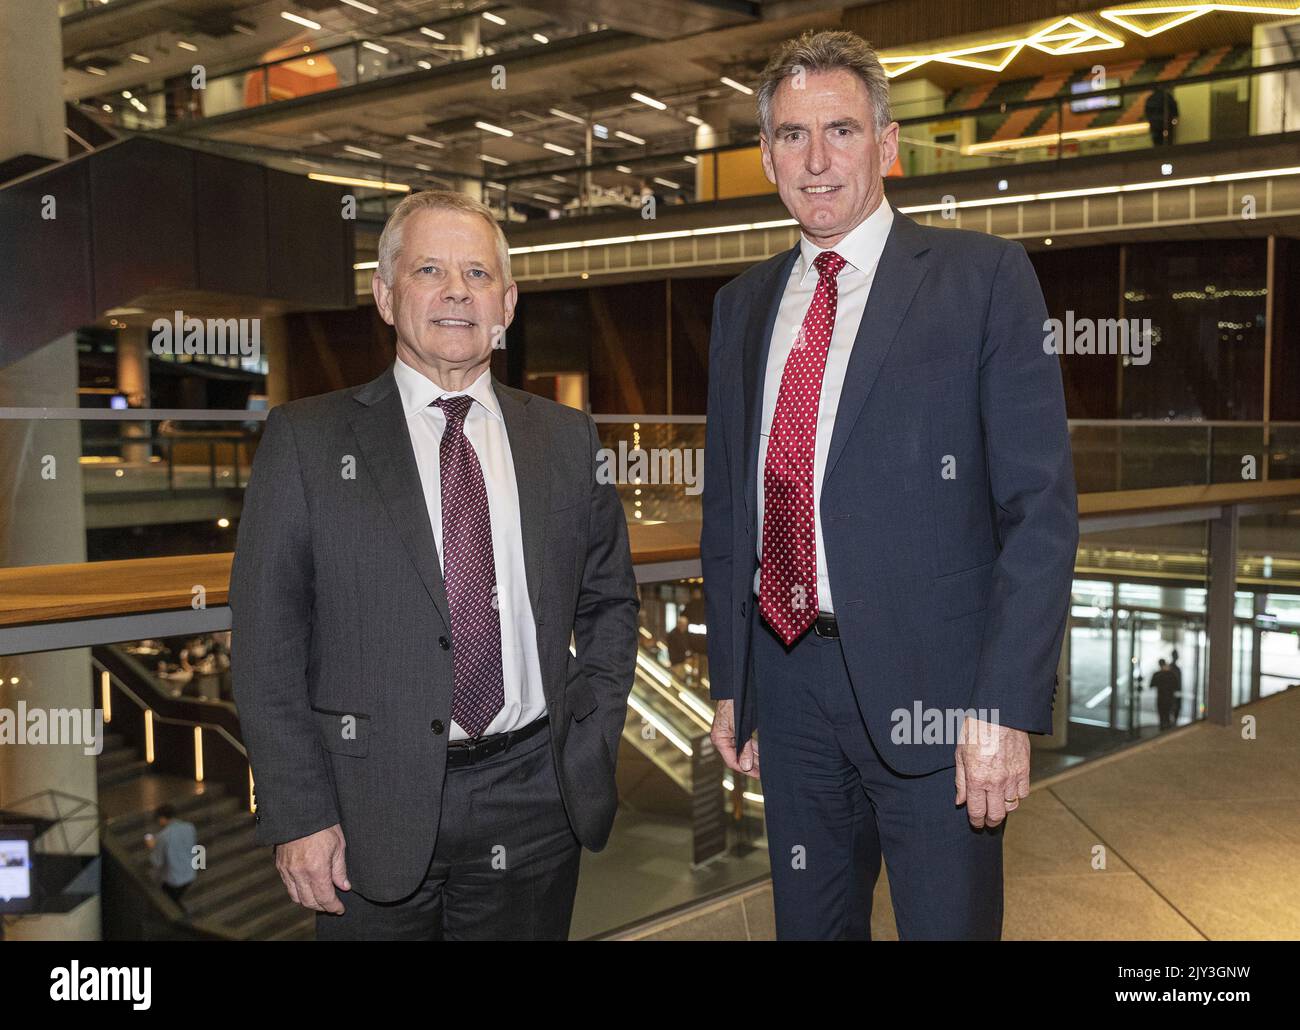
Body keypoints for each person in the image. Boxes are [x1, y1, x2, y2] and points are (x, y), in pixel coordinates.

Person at [700, 29, 1078, 940]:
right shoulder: (741, 305)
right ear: (765, 156)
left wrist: (1004, 706)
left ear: (887, 144)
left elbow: (1039, 510)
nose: (817, 158)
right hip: (787, 694)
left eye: (840, 129)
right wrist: (732, 682)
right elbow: (729, 506)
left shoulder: (982, 279)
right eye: (791, 135)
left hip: (940, 698)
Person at [230, 189, 639, 940]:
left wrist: (592, 735)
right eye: (429, 270)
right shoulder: (307, 442)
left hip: (535, 798)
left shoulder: (566, 440)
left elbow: (610, 602)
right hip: (363, 810)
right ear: (386, 296)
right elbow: (266, 646)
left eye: (478, 275)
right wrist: (299, 812)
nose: (457, 291)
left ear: (507, 302)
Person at [147, 804, 197, 908]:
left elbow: (157, 862)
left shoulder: (163, 836)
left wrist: (152, 847)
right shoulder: (189, 827)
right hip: (189, 873)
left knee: (168, 902)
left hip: (174, 878)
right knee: (174, 900)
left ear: (162, 818)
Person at [1151, 659, 1178, 730]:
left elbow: (1152, 684)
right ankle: (1167, 728)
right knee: (1167, 714)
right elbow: (1176, 686)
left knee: (1162, 715)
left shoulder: (1157, 674)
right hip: (1169, 697)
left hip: (1161, 697)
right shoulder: (1171, 674)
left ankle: (1162, 728)